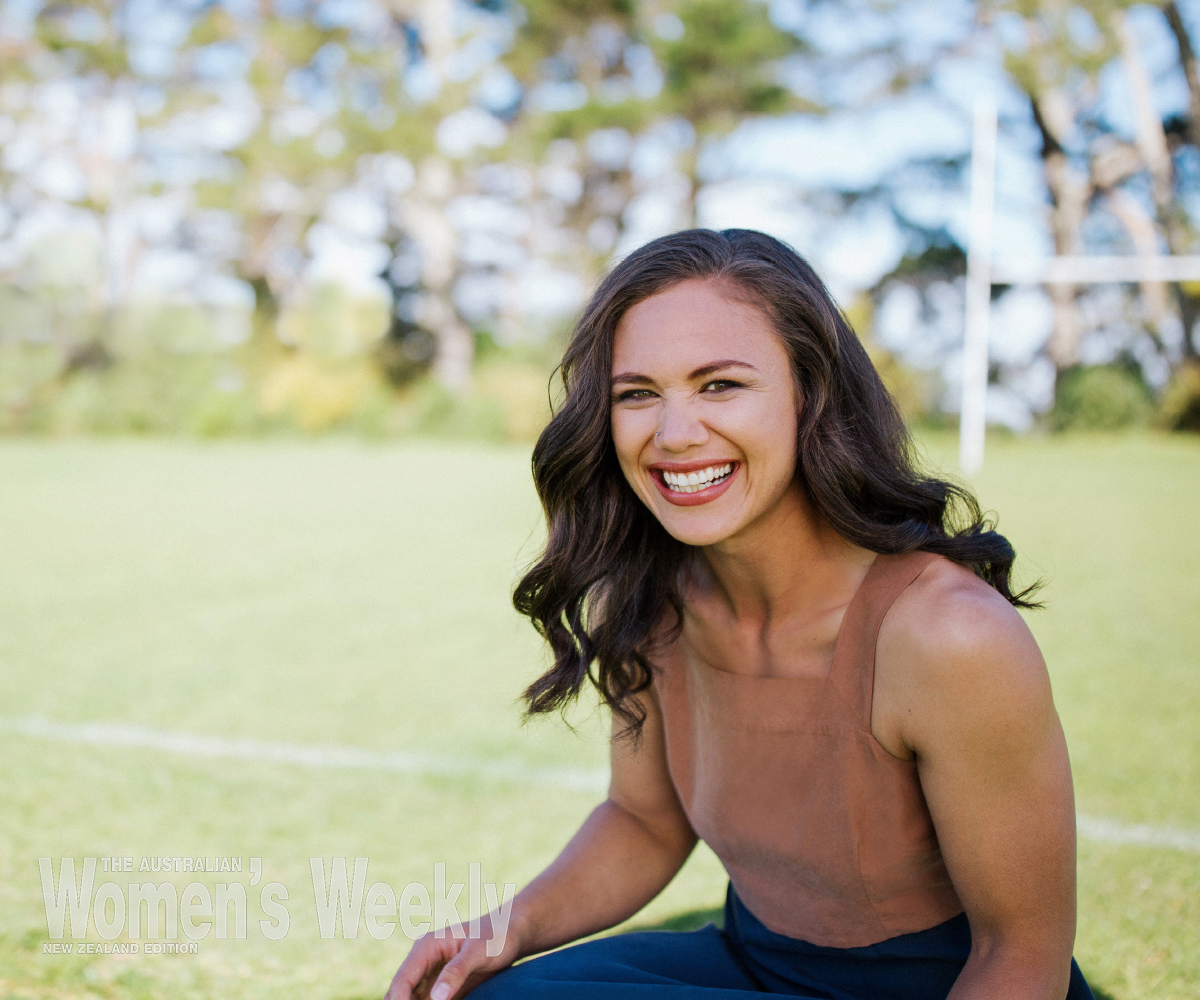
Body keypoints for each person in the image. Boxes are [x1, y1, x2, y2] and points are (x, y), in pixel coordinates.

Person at [385, 229, 1095, 1000]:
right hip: (753, 962)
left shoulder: (949, 635)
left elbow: (1022, 953)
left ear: (810, 394)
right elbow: (644, 820)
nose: (674, 432)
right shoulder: (651, 599)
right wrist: (507, 928)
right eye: (637, 393)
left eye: (720, 384)